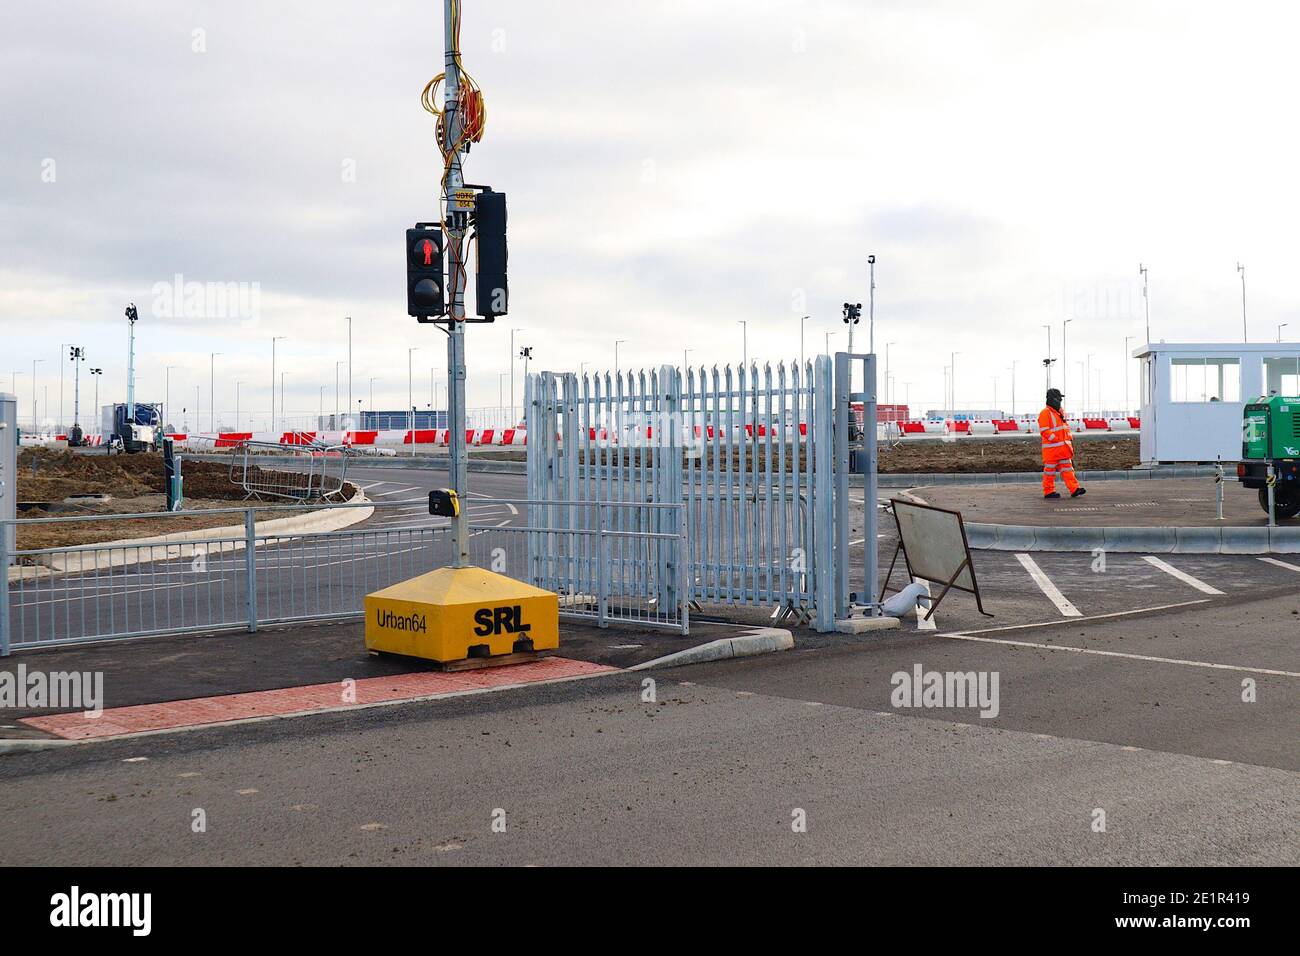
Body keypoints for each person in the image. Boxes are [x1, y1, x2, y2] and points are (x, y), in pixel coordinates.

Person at [1038, 388, 1085, 499]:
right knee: (1049, 472)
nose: (1060, 401)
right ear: (1053, 399)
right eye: (1059, 398)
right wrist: (1056, 439)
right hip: (1052, 451)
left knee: (1068, 469)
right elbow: (1045, 430)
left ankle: (1074, 489)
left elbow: (1064, 428)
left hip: (1063, 449)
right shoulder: (1045, 413)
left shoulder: (1060, 412)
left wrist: (1068, 439)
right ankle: (1049, 492)